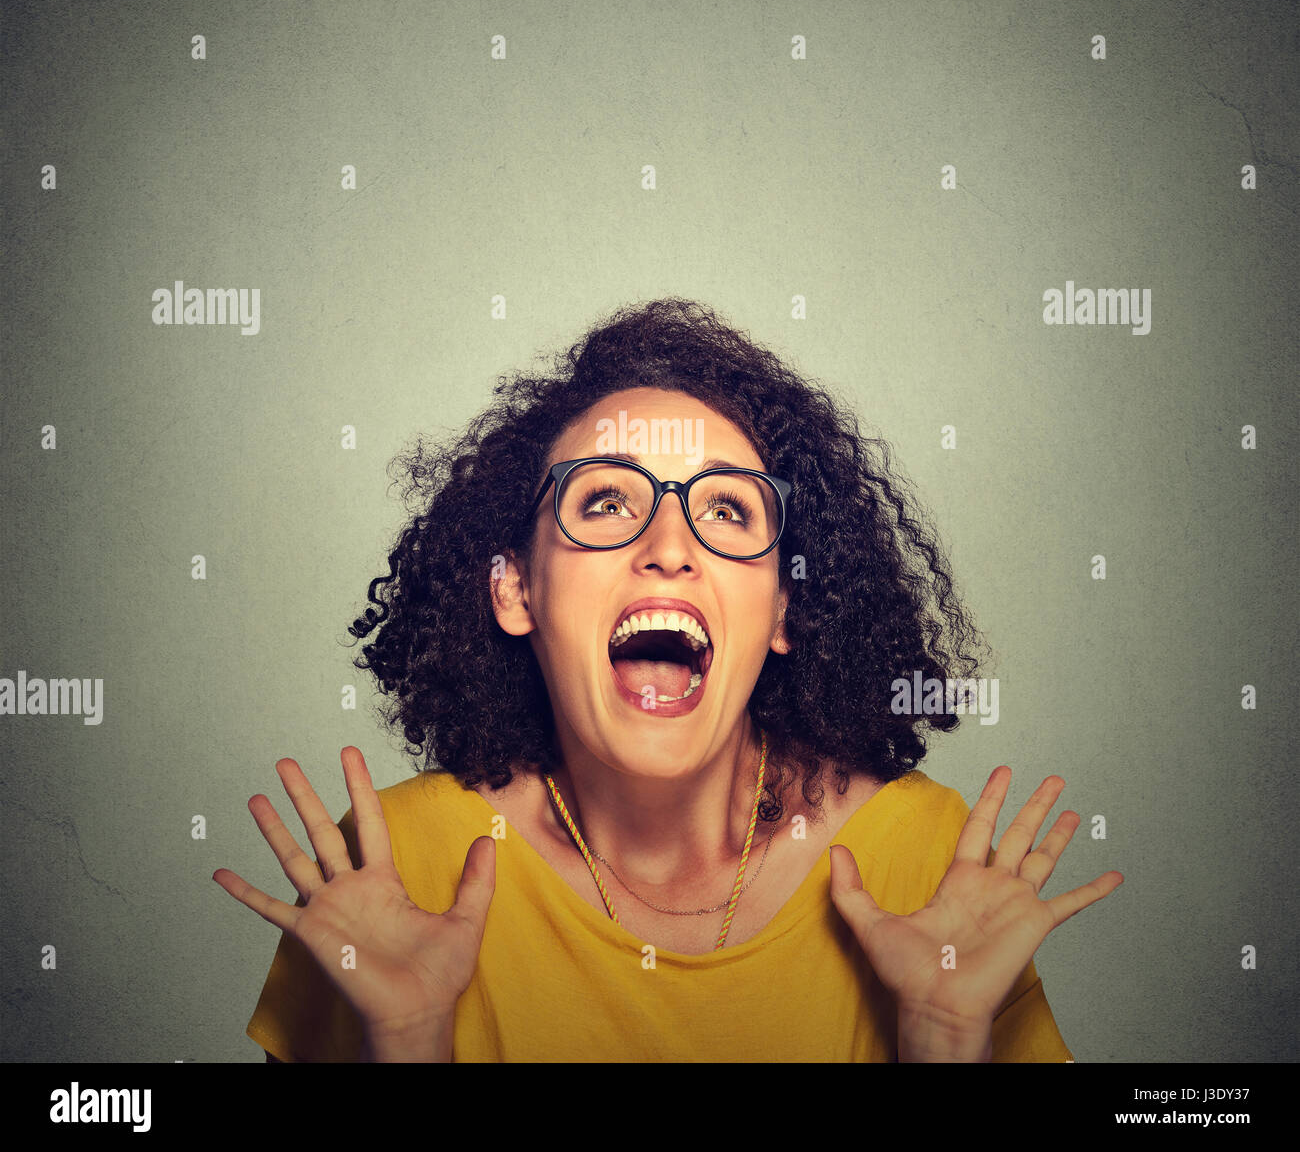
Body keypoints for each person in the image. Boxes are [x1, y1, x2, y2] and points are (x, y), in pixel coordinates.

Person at [214, 296, 1122, 1062]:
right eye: (606, 500)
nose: (669, 548)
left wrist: (942, 1036)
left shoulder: (926, 863)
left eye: (727, 508)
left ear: (782, 613)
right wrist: (409, 1042)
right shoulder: (394, 866)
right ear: (516, 586)